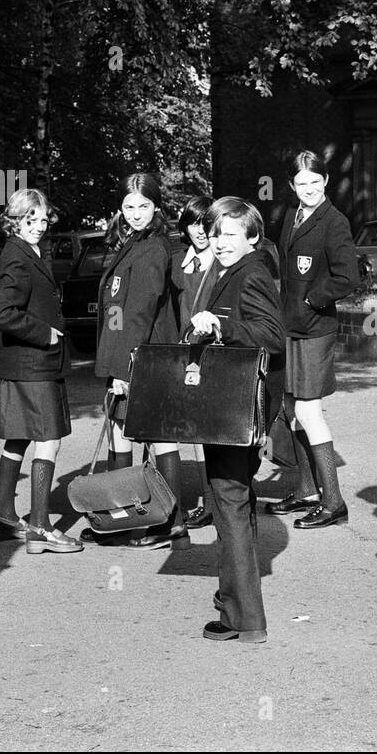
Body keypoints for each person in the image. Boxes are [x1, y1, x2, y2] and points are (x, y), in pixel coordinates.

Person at [187, 197, 285, 643]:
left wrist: (223, 329)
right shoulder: (230, 271)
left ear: (253, 237)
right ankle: (234, 600)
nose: (220, 241)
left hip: (236, 408)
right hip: (232, 405)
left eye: (230, 234)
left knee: (228, 501)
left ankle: (244, 618)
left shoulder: (252, 273)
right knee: (236, 500)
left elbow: (272, 336)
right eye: (215, 233)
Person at [89, 173, 186, 550]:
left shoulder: (153, 247)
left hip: (143, 358)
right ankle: (122, 521)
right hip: (129, 354)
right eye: (128, 206)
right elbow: (117, 309)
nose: (135, 213)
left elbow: (140, 312)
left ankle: (172, 523)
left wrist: (122, 369)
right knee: (121, 432)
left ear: (156, 207)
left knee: (159, 436)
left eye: (143, 206)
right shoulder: (134, 241)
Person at [271, 150, 359, 529]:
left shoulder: (334, 222)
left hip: (314, 329)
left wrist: (311, 299)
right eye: (301, 183)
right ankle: (307, 490)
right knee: (291, 409)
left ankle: (333, 501)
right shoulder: (292, 215)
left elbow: (348, 277)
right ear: (292, 186)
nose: (308, 189)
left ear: (326, 181)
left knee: (309, 411)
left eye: (315, 182)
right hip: (289, 327)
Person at [0, 189, 82, 554]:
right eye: (31, 219)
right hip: (34, 362)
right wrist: (46, 333)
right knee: (49, 439)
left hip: (25, 363)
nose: (40, 226)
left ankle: (4, 517)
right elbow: (4, 314)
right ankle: (41, 528)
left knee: (18, 437)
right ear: (15, 220)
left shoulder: (25, 251)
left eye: (44, 219)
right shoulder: (17, 256)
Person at [169, 195, 216, 530]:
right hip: (183, 354)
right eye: (193, 223)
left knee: (210, 429)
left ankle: (214, 501)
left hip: (213, 353)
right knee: (194, 431)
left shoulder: (222, 262)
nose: (199, 231)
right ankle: (205, 501)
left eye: (205, 224)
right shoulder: (177, 263)